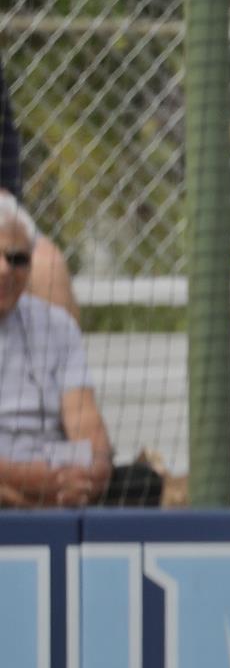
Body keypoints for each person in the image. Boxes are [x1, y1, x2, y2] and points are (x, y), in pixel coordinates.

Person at [0, 193, 110, 507]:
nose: (6, 269)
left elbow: (90, 429)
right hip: (40, 480)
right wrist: (36, 480)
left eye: (17, 258)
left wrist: (88, 475)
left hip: (60, 485)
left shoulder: (57, 326)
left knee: (144, 482)